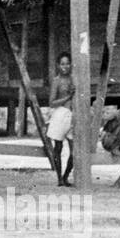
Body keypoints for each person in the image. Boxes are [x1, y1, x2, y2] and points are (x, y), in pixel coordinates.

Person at [45, 51, 74, 186]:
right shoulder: (56, 81)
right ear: (58, 65)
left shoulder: (74, 79)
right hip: (60, 114)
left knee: (74, 150)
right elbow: (51, 102)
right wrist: (68, 97)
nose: (65, 66)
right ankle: (59, 179)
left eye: (67, 63)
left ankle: (66, 176)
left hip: (73, 115)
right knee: (58, 148)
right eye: (62, 64)